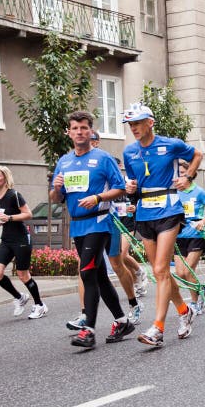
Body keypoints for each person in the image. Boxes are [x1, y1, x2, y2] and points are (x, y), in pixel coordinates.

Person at [50, 111, 134, 347]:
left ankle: (88, 330)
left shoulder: (103, 158)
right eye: (75, 128)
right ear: (69, 132)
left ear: (90, 131)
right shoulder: (64, 162)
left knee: (86, 272)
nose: (79, 132)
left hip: (99, 221)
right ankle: (122, 321)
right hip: (78, 225)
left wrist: (98, 198)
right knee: (98, 275)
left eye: (84, 128)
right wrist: (57, 188)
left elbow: (120, 188)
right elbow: (56, 198)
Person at [123, 103, 202, 346]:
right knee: (162, 273)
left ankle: (157, 327)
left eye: (138, 123)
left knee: (159, 269)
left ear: (150, 122)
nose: (134, 128)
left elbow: (197, 155)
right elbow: (133, 183)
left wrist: (188, 177)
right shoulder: (129, 152)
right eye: (130, 124)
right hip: (145, 213)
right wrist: (130, 188)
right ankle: (184, 311)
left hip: (169, 210)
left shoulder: (170, 144)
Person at [66, 131, 144, 331]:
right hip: (89, 224)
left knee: (117, 262)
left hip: (110, 221)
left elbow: (123, 190)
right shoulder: (74, 164)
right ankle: (85, 314)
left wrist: (131, 204)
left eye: (92, 140)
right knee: (85, 268)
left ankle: (133, 303)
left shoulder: (104, 162)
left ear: (97, 142)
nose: (87, 143)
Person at [0, 165, 48, 319]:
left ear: (5, 177)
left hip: (21, 239)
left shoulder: (14, 195)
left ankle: (40, 305)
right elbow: (5, 217)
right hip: (6, 240)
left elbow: (28, 214)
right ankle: (20, 297)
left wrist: (9, 218)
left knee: (23, 274)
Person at [175, 161, 205, 315]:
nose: (179, 176)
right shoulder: (173, 192)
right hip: (178, 236)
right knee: (180, 273)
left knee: (188, 271)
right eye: (178, 173)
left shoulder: (199, 192)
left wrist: (204, 221)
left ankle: (195, 303)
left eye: (182, 173)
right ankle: (201, 289)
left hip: (196, 235)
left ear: (190, 174)